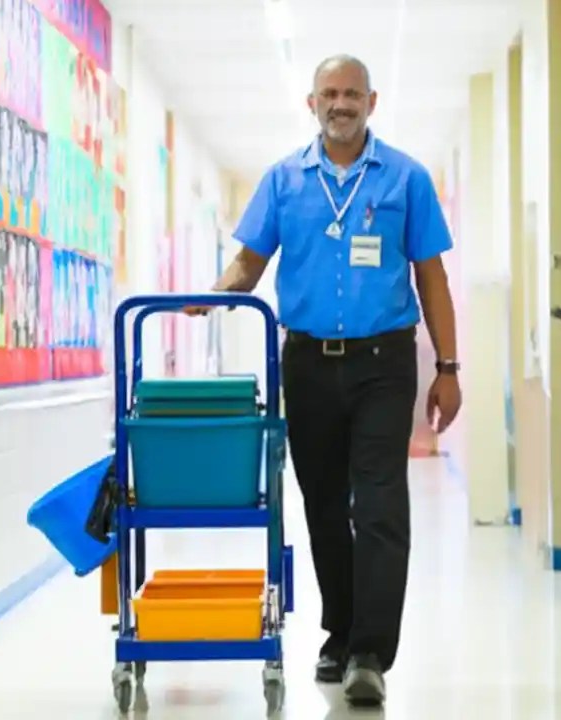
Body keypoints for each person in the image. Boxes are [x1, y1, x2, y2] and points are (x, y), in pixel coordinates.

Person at [188, 54, 461, 706]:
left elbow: (432, 278)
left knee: (380, 505)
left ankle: (370, 652)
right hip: (307, 363)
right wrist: (214, 294)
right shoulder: (284, 182)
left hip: (383, 365)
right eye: (329, 93)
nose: (341, 103)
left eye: (351, 93)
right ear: (312, 103)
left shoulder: (406, 178)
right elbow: (248, 264)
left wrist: (448, 369)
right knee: (323, 508)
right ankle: (339, 631)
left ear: (372, 101)